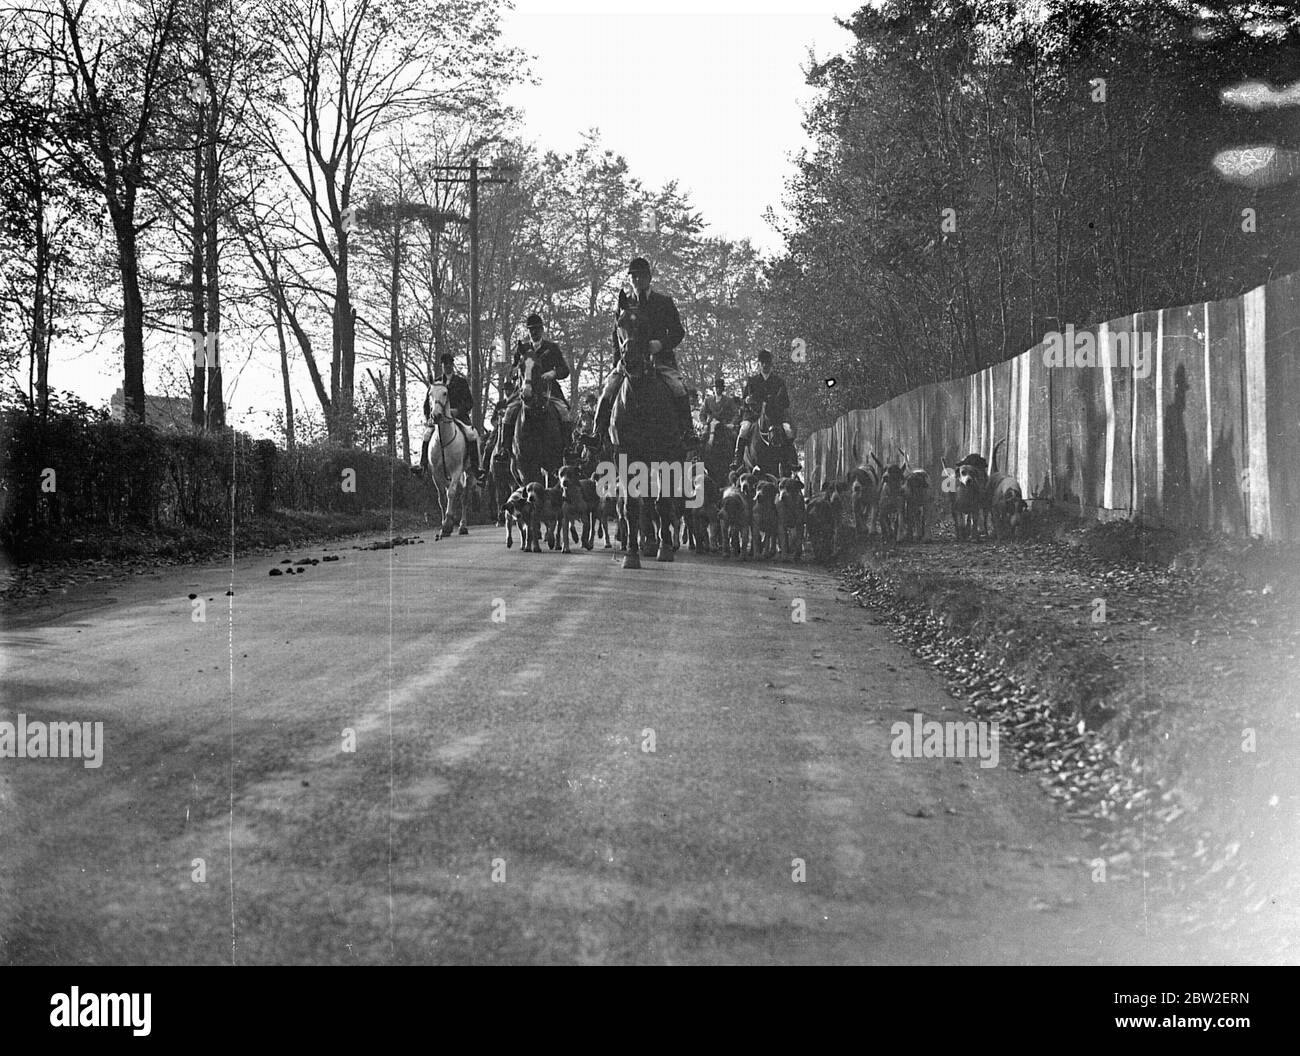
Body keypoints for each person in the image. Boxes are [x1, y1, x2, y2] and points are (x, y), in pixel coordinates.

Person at [590, 257, 692, 448]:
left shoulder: (664, 302)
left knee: (679, 388)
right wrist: (617, 361)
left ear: (649, 278)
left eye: (640, 276)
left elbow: (678, 332)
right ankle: (596, 435)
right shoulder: (624, 304)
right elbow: (616, 335)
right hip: (629, 362)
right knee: (607, 390)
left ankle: (688, 433)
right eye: (633, 276)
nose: (636, 280)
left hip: (660, 361)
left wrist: (660, 344)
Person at [497, 313, 572, 455]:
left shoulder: (552, 348)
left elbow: (565, 370)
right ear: (528, 331)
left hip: (547, 391)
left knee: (564, 412)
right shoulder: (521, 349)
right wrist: (518, 370)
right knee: (509, 413)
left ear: (542, 330)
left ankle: (568, 449)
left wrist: (553, 373)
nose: (534, 332)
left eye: (537, 329)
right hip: (525, 391)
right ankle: (505, 449)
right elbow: (512, 371)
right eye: (531, 329)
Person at [424, 352, 484, 481]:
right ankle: (423, 465)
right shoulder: (436, 384)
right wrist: (428, 416)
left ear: (453, 365)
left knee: (472, 435)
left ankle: (475, 468)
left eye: (450, 364)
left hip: (459, 418)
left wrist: (458, 411)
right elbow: (427, 404)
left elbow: (469, 402)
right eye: (445, 365)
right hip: (438, 419)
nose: (447, 367)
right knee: (427, 435)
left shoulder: (461, 382)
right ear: (442, 366)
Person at [734, 349, 796, 469]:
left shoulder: (779, 382)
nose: (765, 366)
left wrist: (776, 403)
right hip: (753, 415)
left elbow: (786, 402)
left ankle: (792, 461)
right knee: (744, 430)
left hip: (775, 416)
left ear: (771, 365)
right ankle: (737, 459)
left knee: (788, 430)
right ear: (759, 364)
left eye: (767, 363)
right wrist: (747, 401)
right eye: (762, 363)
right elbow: (743, 401)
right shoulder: (752, 381)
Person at [700, 374, 739, 441]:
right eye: (716, 387)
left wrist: (732, 423)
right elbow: (702, 414)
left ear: (723, 389)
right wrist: (704, 424)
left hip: (724, 426)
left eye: (720, 387)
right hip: (710, 425)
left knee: (734, 437)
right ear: (713, 388)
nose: (718, 389)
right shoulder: (708, 400)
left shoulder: (729, 400)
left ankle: (736, 450)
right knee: (702, 439)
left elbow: (736, 413)